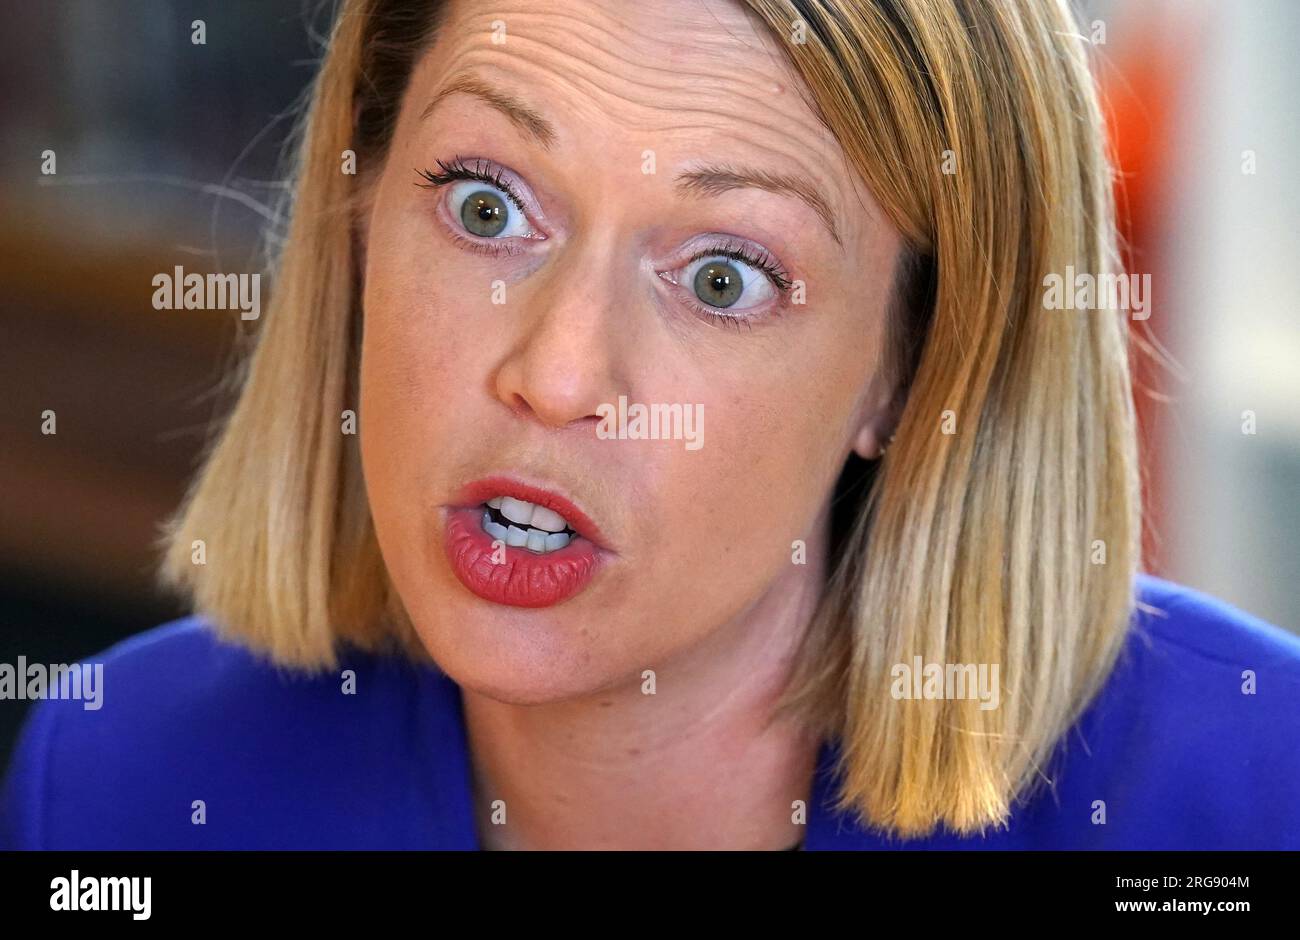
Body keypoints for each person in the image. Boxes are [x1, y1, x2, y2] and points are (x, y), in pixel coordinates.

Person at [3, 0, 1298, 850]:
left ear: (911, 374)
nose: (559, 374)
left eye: (725, 277)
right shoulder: (124, 785)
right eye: (490, 207)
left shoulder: (1245, 796)